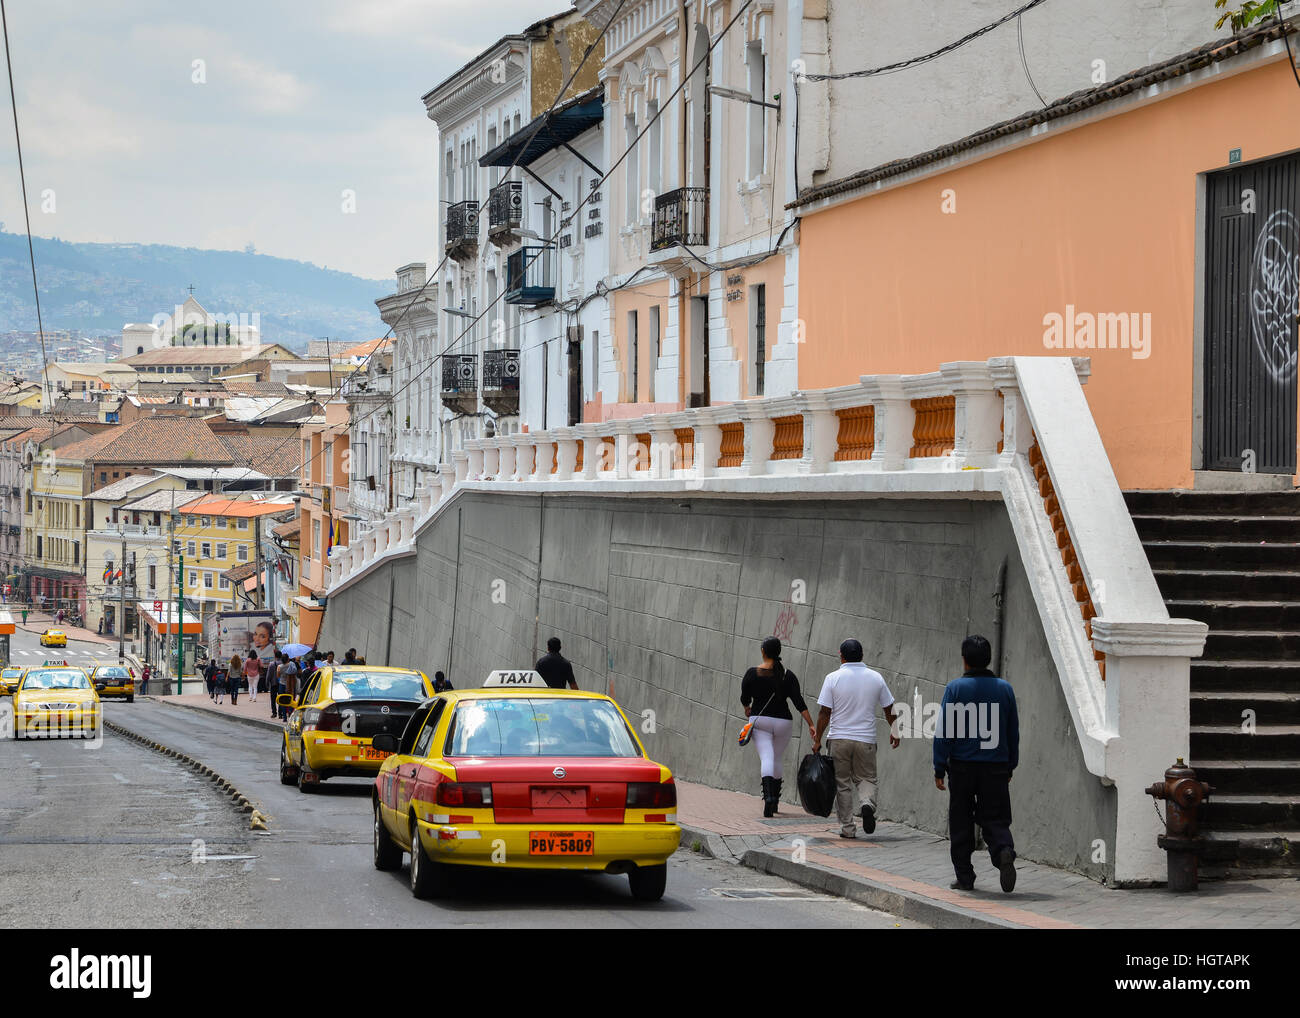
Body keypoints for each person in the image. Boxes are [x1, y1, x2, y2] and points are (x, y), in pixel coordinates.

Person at [934, 634, 1020, 894]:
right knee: (995, 817)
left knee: (961, 821)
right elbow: (1012, 731)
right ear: (989, 658)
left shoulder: (956, 689)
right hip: (995, 766)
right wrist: (1010, 765)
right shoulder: (1005, 689)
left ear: (965, 661)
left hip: (962, 766)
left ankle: (965, 876)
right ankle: (1003, 850)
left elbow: (944, 731)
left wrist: (939, 766)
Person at [812, 638, 901, 840]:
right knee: (867, 778)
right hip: (866, 740)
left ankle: (848, 829)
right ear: (862, 656)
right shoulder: (876, 678)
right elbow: (889, 708)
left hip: (839, 739)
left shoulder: (832, 678)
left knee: (842, 783)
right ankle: (867, 804)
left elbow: (824, 712)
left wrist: (817, 739)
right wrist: (895, 730)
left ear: (841, 656)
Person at [740, 637, 816, 817]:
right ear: (779, 652)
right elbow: (799, 702)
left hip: (760, 720)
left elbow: (744, 698)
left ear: (763, 652)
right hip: (783, 722)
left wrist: (747, 709)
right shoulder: (787, 675)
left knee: (767, 757)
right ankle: (775, 801)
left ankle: (768, 799)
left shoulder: (752, 673)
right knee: (777, 758)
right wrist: (811, 724)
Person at [279, 655, 298, 722]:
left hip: (282, 684)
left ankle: (284, 717)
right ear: (287, 659)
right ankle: (291, 714)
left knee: (283, 701)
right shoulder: (292, 664)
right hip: (291, 684)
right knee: (291, 699)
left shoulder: (279, 667)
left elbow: (278, 675)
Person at [265, 652, 281, 718]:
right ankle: (281, 713)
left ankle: (274, 712)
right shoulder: (283, 663)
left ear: (275, 656)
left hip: (273, 683)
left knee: (273, 699)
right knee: (281, 699)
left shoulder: (271, 664)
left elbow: (268, 675)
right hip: (281, 684)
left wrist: (267, 683)